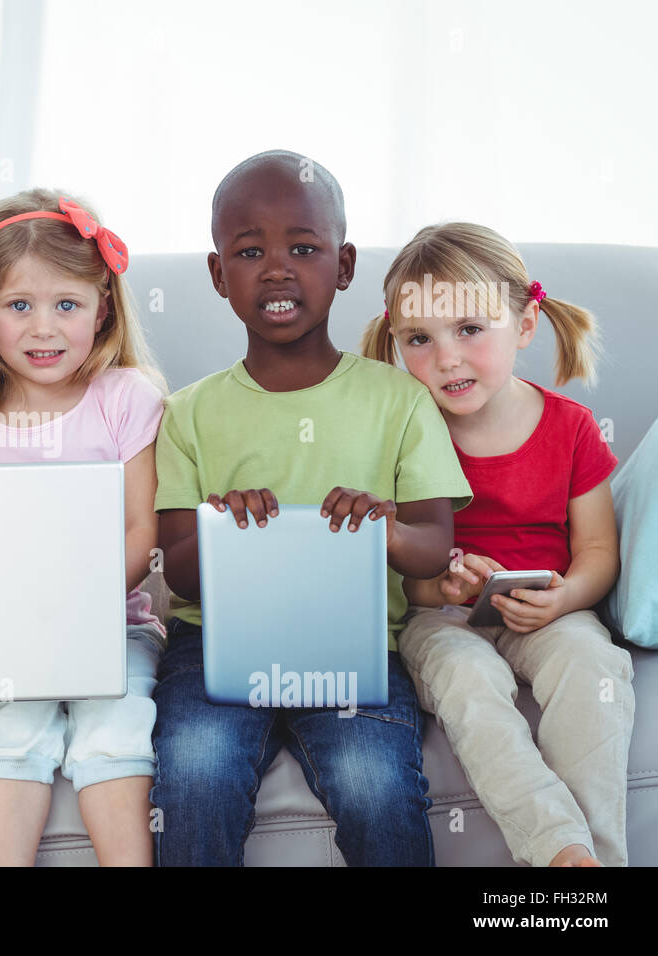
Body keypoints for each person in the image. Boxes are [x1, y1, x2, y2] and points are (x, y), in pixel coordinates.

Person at [152, 150, 473, 866]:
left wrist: (386, 529)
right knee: (197, 772)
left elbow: (433, 547)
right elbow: (178, 572)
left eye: (303, 249)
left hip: (354, 643)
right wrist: (222, 531)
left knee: (373, 781)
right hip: (214, 644)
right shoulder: (187, 413)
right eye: (249, 252)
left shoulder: (398, 400)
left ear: (344, 265)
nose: (276, 270)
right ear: (217, 275)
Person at [362, 221, 635, 866]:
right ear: (396, 343)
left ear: (526, 323)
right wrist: (437, 583)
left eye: (469, 329)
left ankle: (594, 866)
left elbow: (599, 551)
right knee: (467, 678)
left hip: (549, 610)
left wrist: (565, 598)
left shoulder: (571, 427)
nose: (447, 358)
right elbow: (401, 571)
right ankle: (561, 849)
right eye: (420, 339)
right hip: (443, 617)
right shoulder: (403, 434)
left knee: (593, 667)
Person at [0, 187, 166, 866]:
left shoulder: (125, 397)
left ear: (102, 310)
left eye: (66, 305)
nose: (43, 328)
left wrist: (78, 604)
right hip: (5, 631)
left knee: (115, 721)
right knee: (8, 728)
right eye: (19, 306)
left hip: (112, 622)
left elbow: (141, 532)